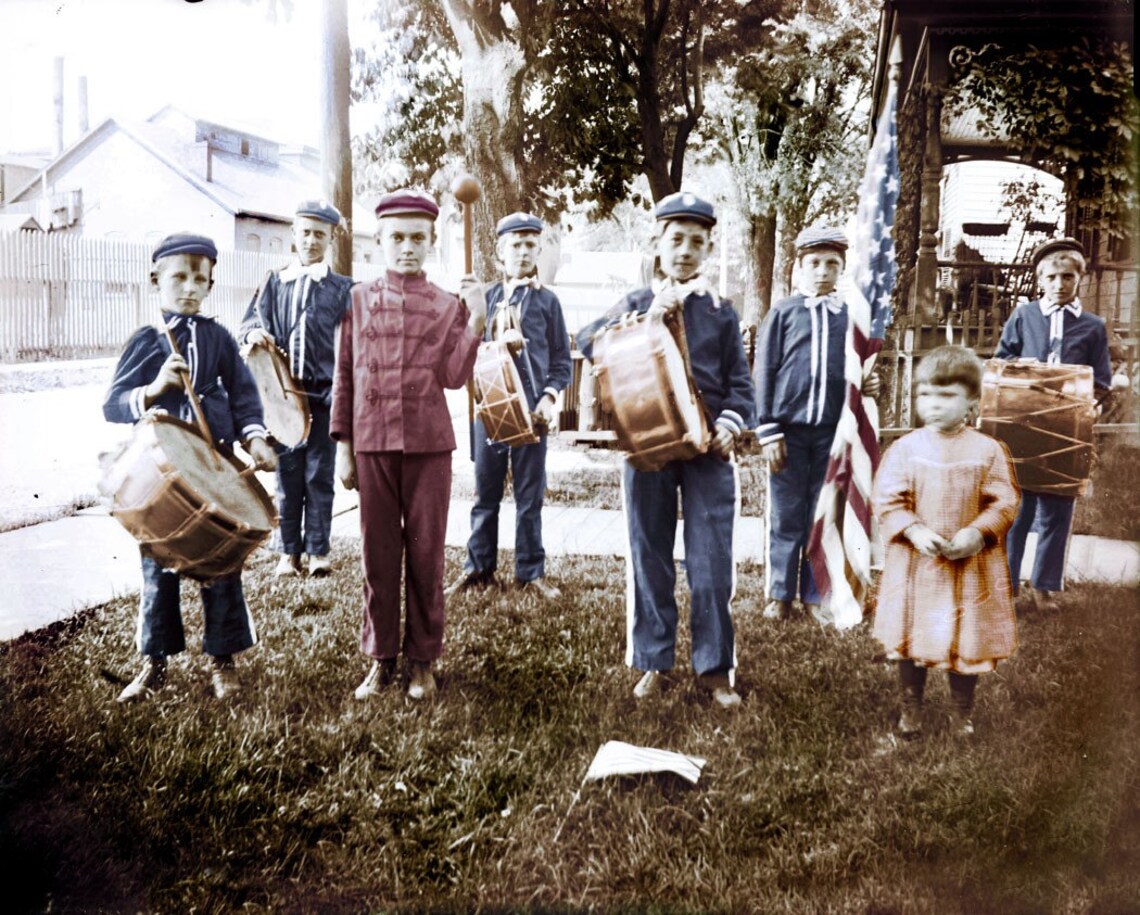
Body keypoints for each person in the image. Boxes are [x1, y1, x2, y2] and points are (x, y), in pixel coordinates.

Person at [577, 191, 755, 709]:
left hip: (707, 452)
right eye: (675, 239)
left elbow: (741, 386)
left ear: (708, 250)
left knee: (710, 560)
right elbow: (588, 340)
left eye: (696, 242)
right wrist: (646, 318)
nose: (685, 251)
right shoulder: (637, 301)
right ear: (657, 243)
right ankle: (654, 661)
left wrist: (730, 425)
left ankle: (715, 669)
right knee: (649, 554)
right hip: (648, 448)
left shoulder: (721, 312)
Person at [104, 233, 278, 703]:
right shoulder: (147, 339)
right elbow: (112, 404)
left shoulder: (218, 337)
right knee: (158, 573)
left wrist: (255, 438)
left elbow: (243, 394)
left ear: (210, 285)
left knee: (221, 567)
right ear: (155, 279)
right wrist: (154, 389)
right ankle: (153, 664)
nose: (189, 287)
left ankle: (223, 661)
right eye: (178, 277)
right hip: (163, 475)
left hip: (212, 463)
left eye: (199, 280)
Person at [332, 189, 484, 701]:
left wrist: (476, 322)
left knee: (425, 556)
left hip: (428, 446)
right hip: (372, 442)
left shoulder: (446, 305)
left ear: (432, 241)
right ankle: (381, 659)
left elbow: (454, 376)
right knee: (377, 556)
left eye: (418, 238)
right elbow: (344, 375)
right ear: (379, 241)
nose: (407, 248)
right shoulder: (356, 300)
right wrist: (343, 445)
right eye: (396, 238)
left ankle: (422, 661)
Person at [872, 345, 1021, 737]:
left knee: (967, 635)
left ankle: (961, 712)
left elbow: (1003, 502)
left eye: (947, 395)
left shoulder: (988, 450)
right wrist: (914, 530)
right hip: (918, 565)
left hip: (968, 565)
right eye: (925, 394)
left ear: (972, 402)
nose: (934, 404)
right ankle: (911, 708)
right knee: (910, 633)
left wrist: (977, 532)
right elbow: (888, 500)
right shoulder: (905, 448)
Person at [753, 227, 880, 623]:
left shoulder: (850, 317)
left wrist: (870, 382)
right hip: (787, 432)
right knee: (786, 514)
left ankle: (814, 592)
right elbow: (764, 372)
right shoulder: (783, 313)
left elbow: (860, 368)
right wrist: (768, 430)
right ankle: (780, 594)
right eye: (814, 263)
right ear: (799, 267)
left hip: (831, 431)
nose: (822, 271)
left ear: (842, 268)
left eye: (831, 264)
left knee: (822, 513)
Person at [445, 212, 573, 601]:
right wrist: (467, 311)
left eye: (530, 245)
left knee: (529, 497)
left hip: (532, 413)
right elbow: (461, 347)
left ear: (539, 250)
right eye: (515, 245)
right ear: (500, 251)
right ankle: (478, 568)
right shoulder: (483, 297)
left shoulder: (548, 302)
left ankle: (530, 573)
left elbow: (561, 361)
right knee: (485, 494)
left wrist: (548, 398)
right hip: (489, 410)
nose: (523, 252)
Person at [995, 238, 1112, 613]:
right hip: (1024, 425)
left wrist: (1091, 402)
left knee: (1058, 508)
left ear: (1080, 278)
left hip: (1067, 429)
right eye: (1051, 277)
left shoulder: (1093, 326)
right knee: (1018, 507)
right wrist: (1021, 368)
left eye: (1068, 276)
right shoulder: (1024, 316)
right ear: (1039, 279)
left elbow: (1102, 381)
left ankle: (1045, 586)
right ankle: (1007, 584)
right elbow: (1002, 361)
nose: (1059, 284)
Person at [240, 200, 355, 578]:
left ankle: (318, 551)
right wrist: (253, 334)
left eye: (320, 234)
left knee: (319, 475)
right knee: (287, 476)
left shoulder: (342, 289)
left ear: (331, 238)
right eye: (305, 232)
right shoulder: (275, 281)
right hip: (282, 399)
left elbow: (351, 343)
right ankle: (288, 553)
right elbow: (250, 323)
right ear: (293, 234)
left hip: (324, 396)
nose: (311, 240)